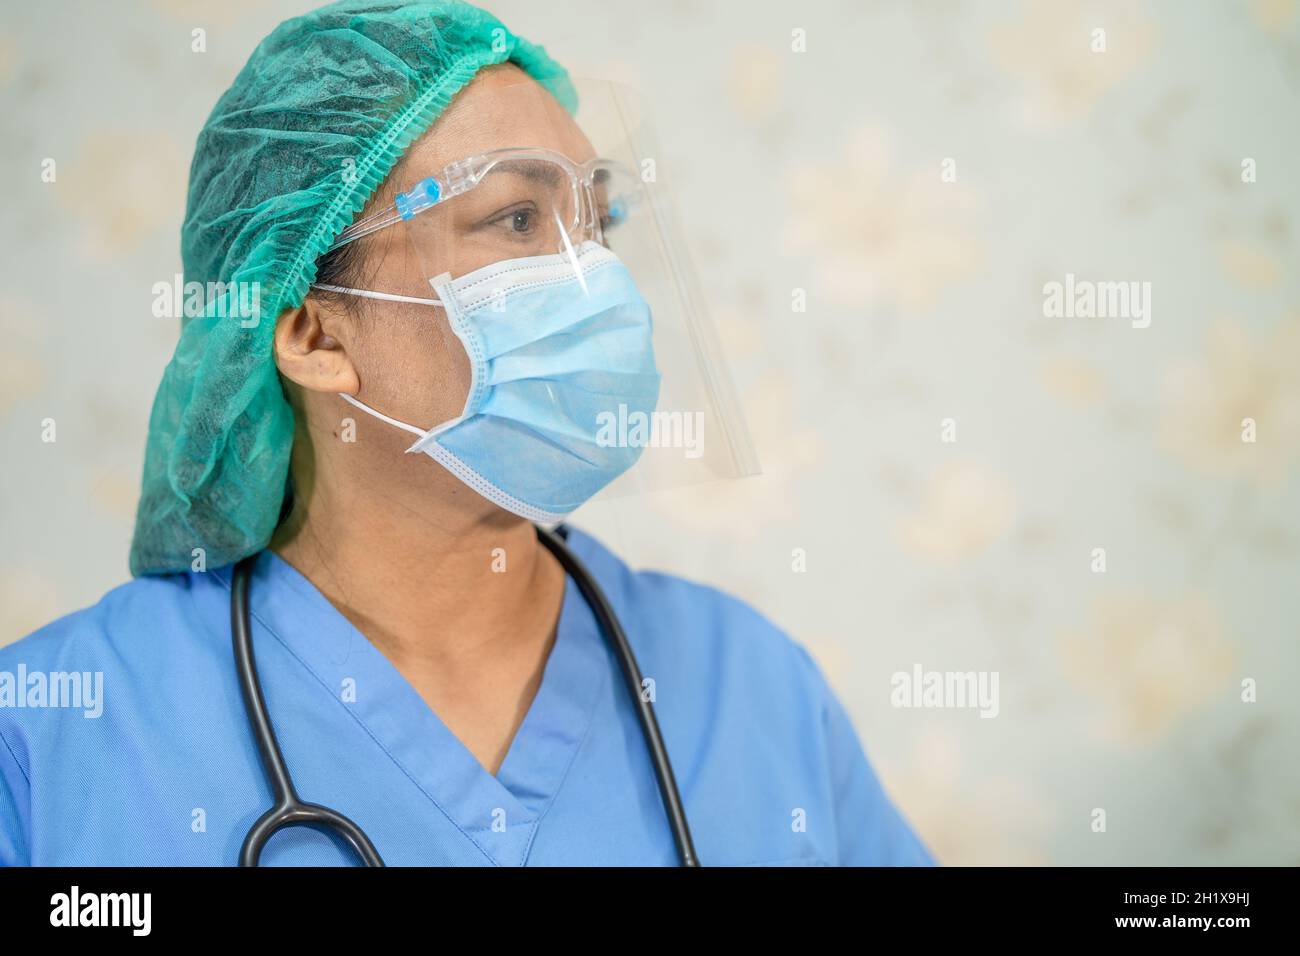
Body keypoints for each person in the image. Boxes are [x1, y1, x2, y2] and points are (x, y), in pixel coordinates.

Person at [0, 0, 933, 866]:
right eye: (518, 217)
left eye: (593, 221)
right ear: (314, 333)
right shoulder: (56, 735)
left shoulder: (751, 689)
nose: (591, 277)